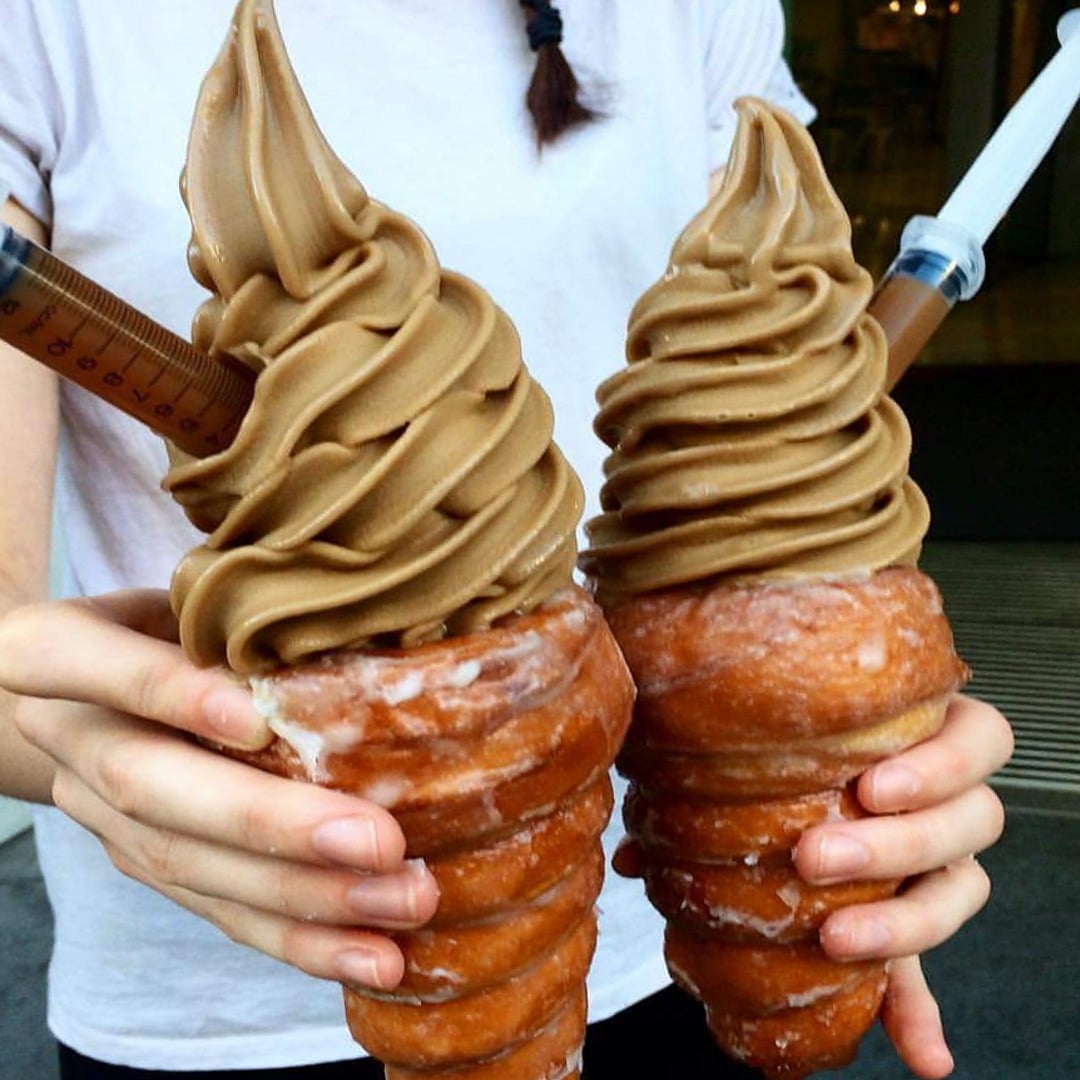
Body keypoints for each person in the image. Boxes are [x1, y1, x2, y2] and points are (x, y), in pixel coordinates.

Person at [0, 2, 1013, 1078]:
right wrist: (82, 751)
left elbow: (764, 391)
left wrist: (833, 760)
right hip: (215, 997)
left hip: (657, 934)